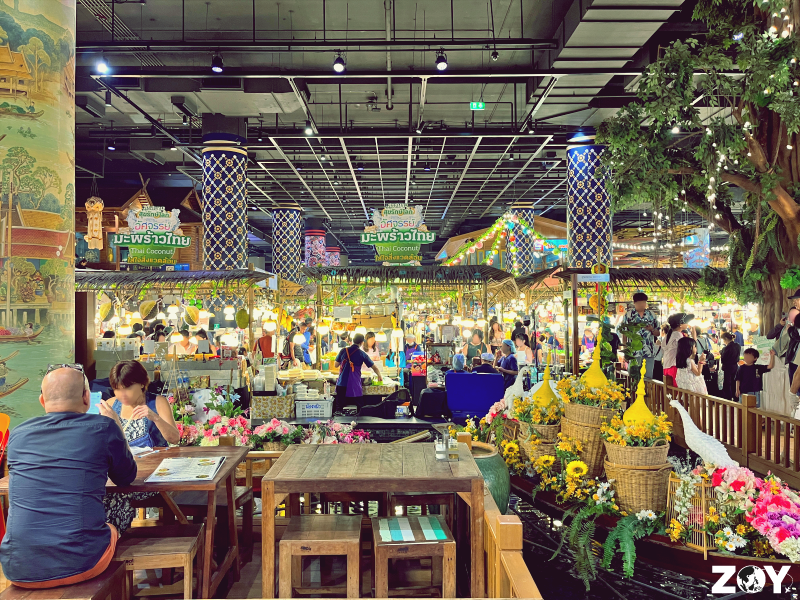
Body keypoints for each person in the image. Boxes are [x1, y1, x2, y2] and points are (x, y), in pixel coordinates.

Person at [0, 366, 137, 588]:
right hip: (82, 563)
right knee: (118, 516)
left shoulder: (18, 435)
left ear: (42, 400)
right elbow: (126, 477)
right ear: (86, 397)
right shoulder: (102, 428)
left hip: (18, 568)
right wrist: (118, 428)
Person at [102, 360, 180, 534]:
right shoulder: (112, 404)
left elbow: (175, 438)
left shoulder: (157, 402)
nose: (122, 394)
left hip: (153, 477)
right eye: (117, 388)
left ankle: (116, 539)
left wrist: (155, 417)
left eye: (127, 388)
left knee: (118, 494)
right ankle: (105, 538)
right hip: (121, 474)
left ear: (143, 384)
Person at [334, 332, 383, 411]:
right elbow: (374, 367)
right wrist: (379, 375)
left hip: (342, 383)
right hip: (355, 385)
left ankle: (338, 423)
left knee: (339, 408)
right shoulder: (361, 354)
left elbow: (336, 365)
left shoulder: (344, 350)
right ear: (362, 342)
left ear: (353, 340)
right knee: (359, 409)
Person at [619, 292, 660, 378]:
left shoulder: (651, 315)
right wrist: (626, 350)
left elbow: (658, 332)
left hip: (649, 352)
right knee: (633, 377)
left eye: (644, 302)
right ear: (634, 303)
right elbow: (624, 334)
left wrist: (651, 329)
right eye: (640, 303)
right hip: (634, 353)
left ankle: (647, 391)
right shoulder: (629, 315)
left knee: (648, 378)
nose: (642, 305)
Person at [662, 313, 696, 386]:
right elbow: (687, 350)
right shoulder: (678, 335)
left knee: (670, 392)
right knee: (677, 392)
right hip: (674, 367)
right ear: (680, 324)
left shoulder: (670, 335)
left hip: (667, 366)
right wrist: (694, 339)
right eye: (686, 322)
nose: (687, 324)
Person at [719, 332, 742, 400]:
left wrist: (721, 352)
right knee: (734, 382)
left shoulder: (726, 348)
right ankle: (735, 397)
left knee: (727, 383)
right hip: (735, 366)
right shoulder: (737, 346)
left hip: (727, 367)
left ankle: (728, 398)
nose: (723, 341)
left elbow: (723, 359)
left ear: (726, 339)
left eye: (723, 340)